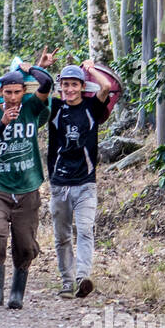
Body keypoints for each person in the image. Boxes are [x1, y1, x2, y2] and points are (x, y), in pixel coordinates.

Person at [0, 52, 55, 309]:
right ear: (1, 93)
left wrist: (30, 68)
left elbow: (46, 85)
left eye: (16, 92)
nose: (12, 97)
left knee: (25, 243)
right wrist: (1, 123)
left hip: (29, 188)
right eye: (7, 92)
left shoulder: (32, 107)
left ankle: (17, 293)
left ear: (23, 92)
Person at [47, 61, 112, 299]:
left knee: (85, 230)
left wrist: (91, 68)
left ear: (82, 86)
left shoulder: (91, 107)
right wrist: (42, 68)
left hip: (86, 183)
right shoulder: (54, 109)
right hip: (59, 184)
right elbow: (39, 92)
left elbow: (105, 87)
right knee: (62, 236)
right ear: (60, 86)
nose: (70, 89)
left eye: (74, 84)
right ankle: (66, 281)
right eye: (66, 85)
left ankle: (82, 277)